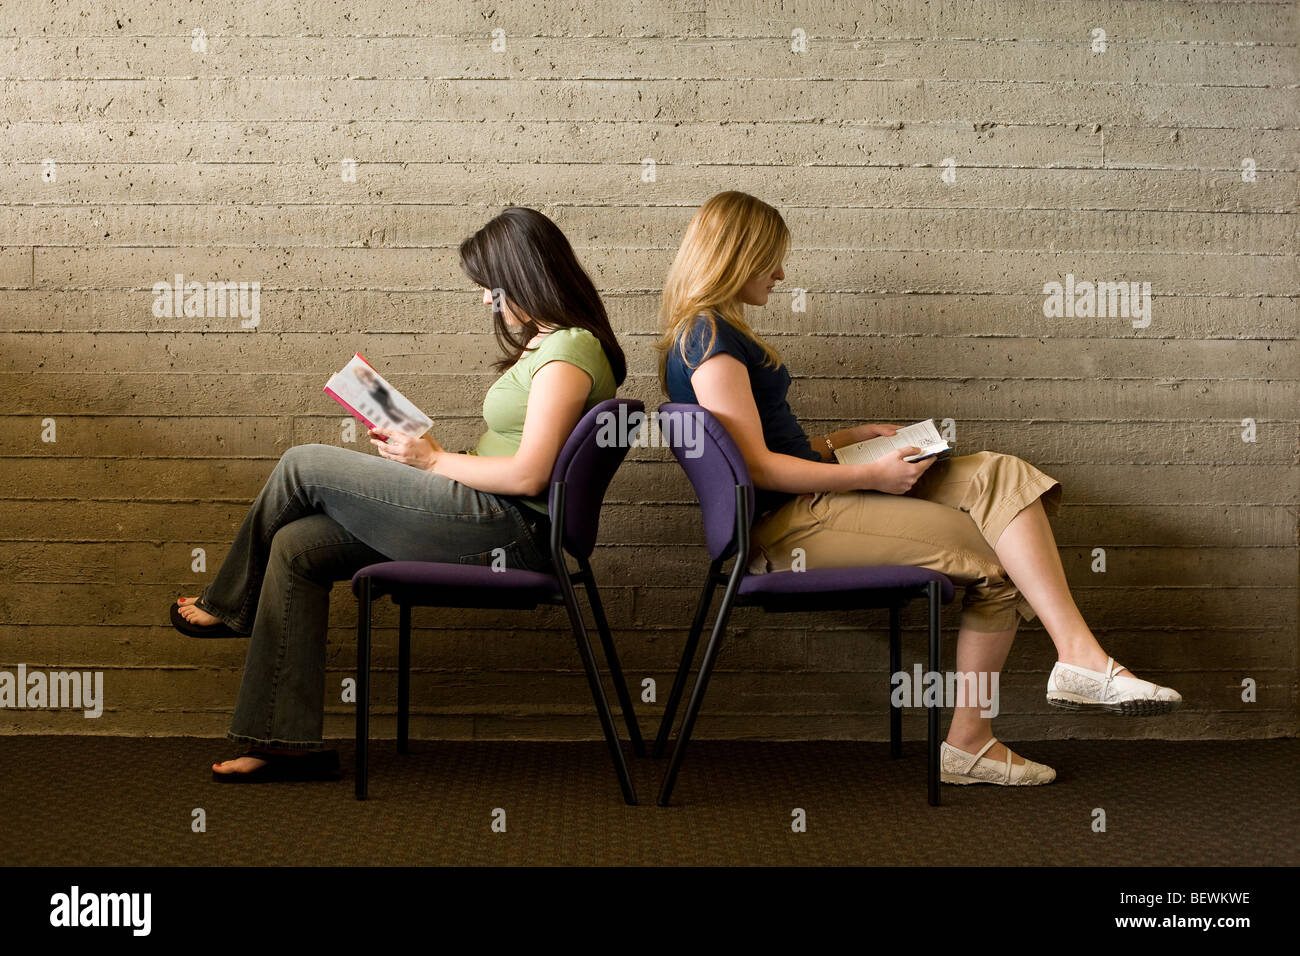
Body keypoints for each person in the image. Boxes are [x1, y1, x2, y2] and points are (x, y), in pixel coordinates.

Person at [657, 191, 1181, 787]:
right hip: (790, 526)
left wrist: (844, 439)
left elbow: (766, 446)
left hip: (811, 500)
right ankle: (970, 744)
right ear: (735, 255)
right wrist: (869, 474)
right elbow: (757, 471)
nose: (781, 274)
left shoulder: (711, 333)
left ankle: (1079, 656)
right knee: (997, 564)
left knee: (1000, 475)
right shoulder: (709, 340)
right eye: (770, 259)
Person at [171, 207, 626, 782]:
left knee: (303, 463)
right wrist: (428, 451)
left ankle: (226, 605)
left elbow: (530, 477)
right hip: (481, 513)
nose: (488, 302)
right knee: (295, 545)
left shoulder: (569, 351)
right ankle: (281, 741)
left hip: (508, 529)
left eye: (491, 288)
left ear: (526, 274)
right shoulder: (551, 346)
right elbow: (509, 460)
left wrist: (433, 460)